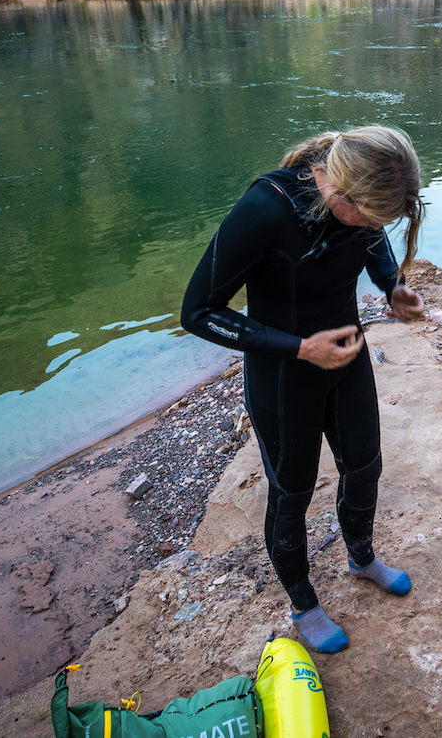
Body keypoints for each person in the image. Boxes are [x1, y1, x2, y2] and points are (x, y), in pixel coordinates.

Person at [179, 126, 426, 653]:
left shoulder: (358, 203)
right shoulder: (266, 209)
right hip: (285, 375)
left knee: (366, 466)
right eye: (367, 212)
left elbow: (371, 237)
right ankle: (303, 602)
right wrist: (298, 347)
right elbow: (197, 311)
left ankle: (361, 557)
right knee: (291, 493)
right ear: (340, 192)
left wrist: (391, 285)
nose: (373, 225)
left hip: (346, 360)